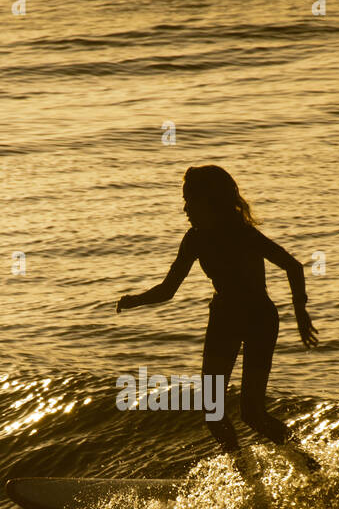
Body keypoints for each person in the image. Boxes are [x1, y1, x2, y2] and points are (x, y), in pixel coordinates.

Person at [117, 165, 321, 478]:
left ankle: (311, 468)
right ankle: (250, 480)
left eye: (190, 201)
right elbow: (168, 290)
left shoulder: (242, 232)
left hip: (258, 319)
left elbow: (292, 266)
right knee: (213, 413)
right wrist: (135, 300)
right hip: (224, 318)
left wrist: (300, 312)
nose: (184, 208)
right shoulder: (194, 239)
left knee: (252, 413)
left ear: (211, 201)